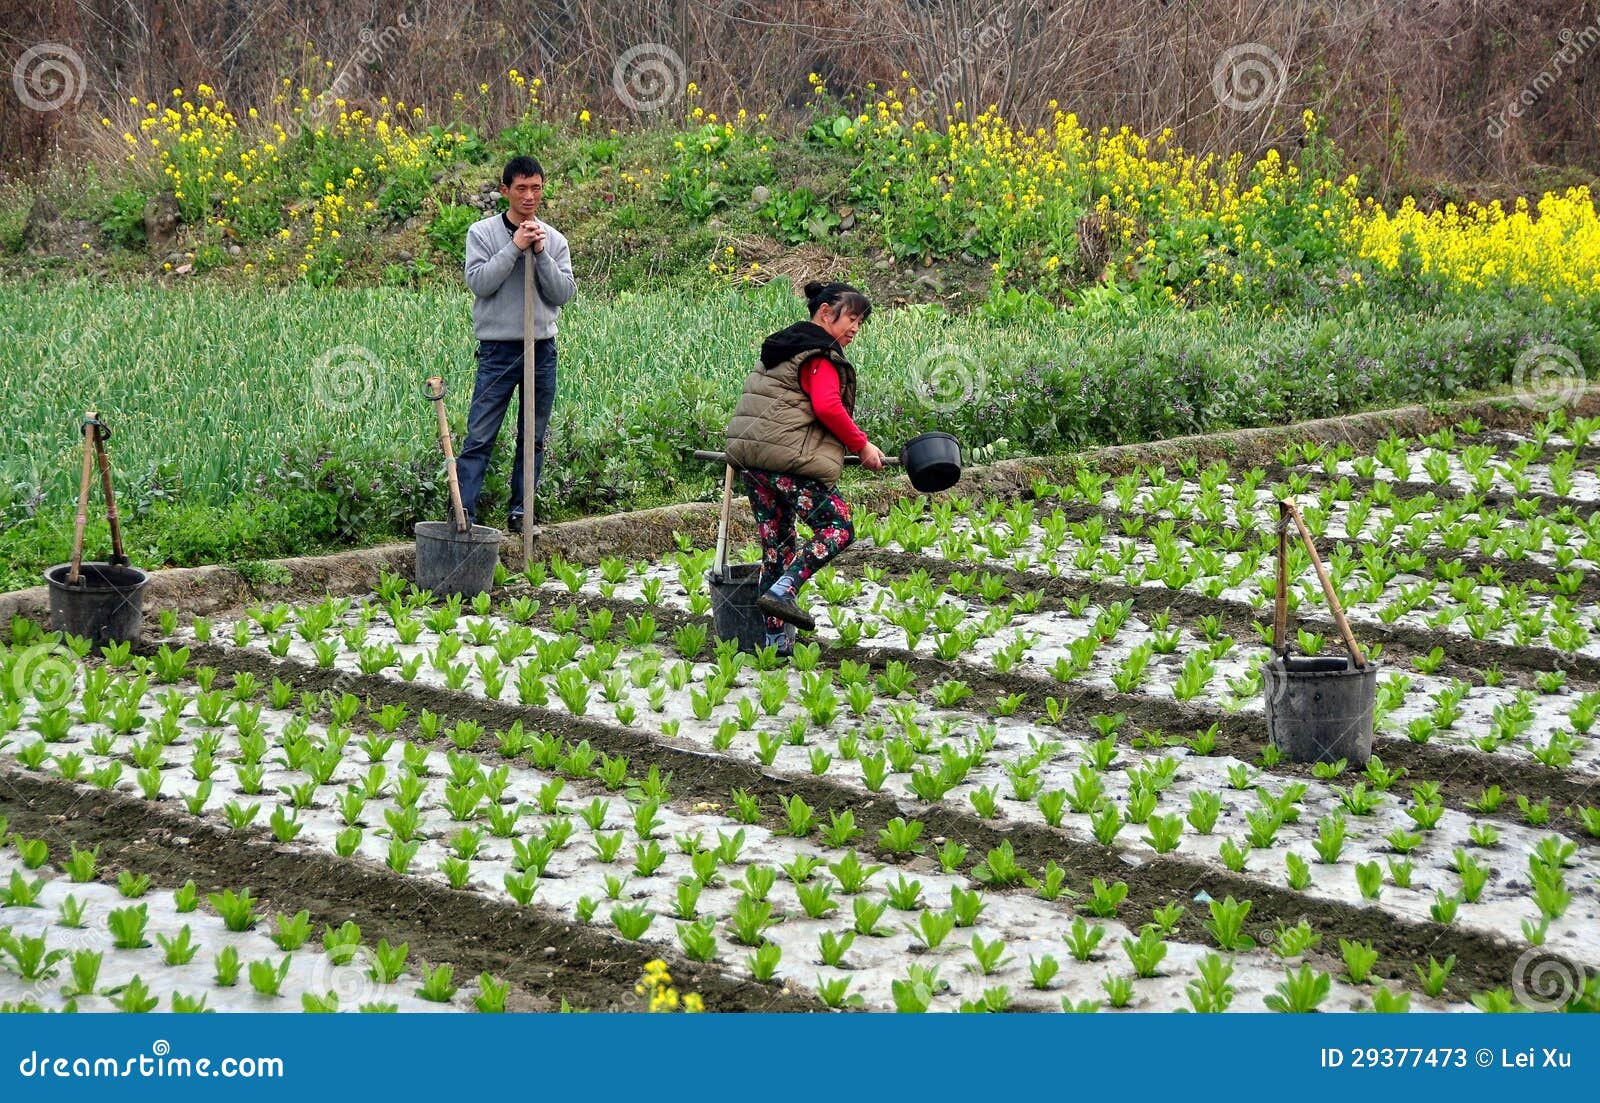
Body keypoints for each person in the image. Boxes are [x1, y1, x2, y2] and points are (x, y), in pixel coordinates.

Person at [725, 281, 887, 652]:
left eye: (860, 323)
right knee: (838, 527)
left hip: (754, 462)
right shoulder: (818, 355)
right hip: (786, 462)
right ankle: (785, 589)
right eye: (852, 319)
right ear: (826, 313)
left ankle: (774, 644)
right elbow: (828, 407)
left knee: (777, 547)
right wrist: (862, 445)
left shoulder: (785, 346)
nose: (855, 329)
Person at [458, 155, 577, 535]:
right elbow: (481, 282)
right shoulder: (482, 233)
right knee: (480, 434)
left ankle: (521, 513)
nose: (529, 196)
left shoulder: (554, 239)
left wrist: (539, 253)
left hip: (541, 349)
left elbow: (562, 293)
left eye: (536, 188)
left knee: (534, 435)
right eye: (521, 188)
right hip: (498, 350)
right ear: (505, 190)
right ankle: (463, 517)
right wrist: (514, 247)